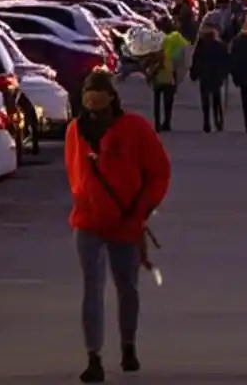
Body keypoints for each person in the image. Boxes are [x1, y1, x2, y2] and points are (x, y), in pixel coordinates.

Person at [64, 70, 172, 383]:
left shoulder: (135, 128)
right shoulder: (75, 130)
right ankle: (93, 356)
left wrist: (141, 211)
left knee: (127, 288)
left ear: (112, 96)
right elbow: (75, 173)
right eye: (87, 91)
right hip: (88, 222)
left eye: (98, 91)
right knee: (92, 288)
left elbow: (159, 172)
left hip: (126, 222)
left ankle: (128, 345)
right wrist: (85, 201)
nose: (92, 97)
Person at [146, 20, 187, 132]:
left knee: (157, 100)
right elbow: (180, 61)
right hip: (170, 74)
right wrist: (179, 77)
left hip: (157, 73)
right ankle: (167, 122)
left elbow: (149, 56)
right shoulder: (177, 41)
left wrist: (148, 72)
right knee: (168, 101)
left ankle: (157, 122)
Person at [189, 26, 230, 133]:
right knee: (217, 99)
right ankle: (218, 120)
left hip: (205, 75)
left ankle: (206, 121)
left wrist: (194, 74)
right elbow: (226, 60)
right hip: (216, 75)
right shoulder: (220, 46)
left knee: (205, 99)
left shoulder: (201, 47)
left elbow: (195, 61)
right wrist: (225, 73)